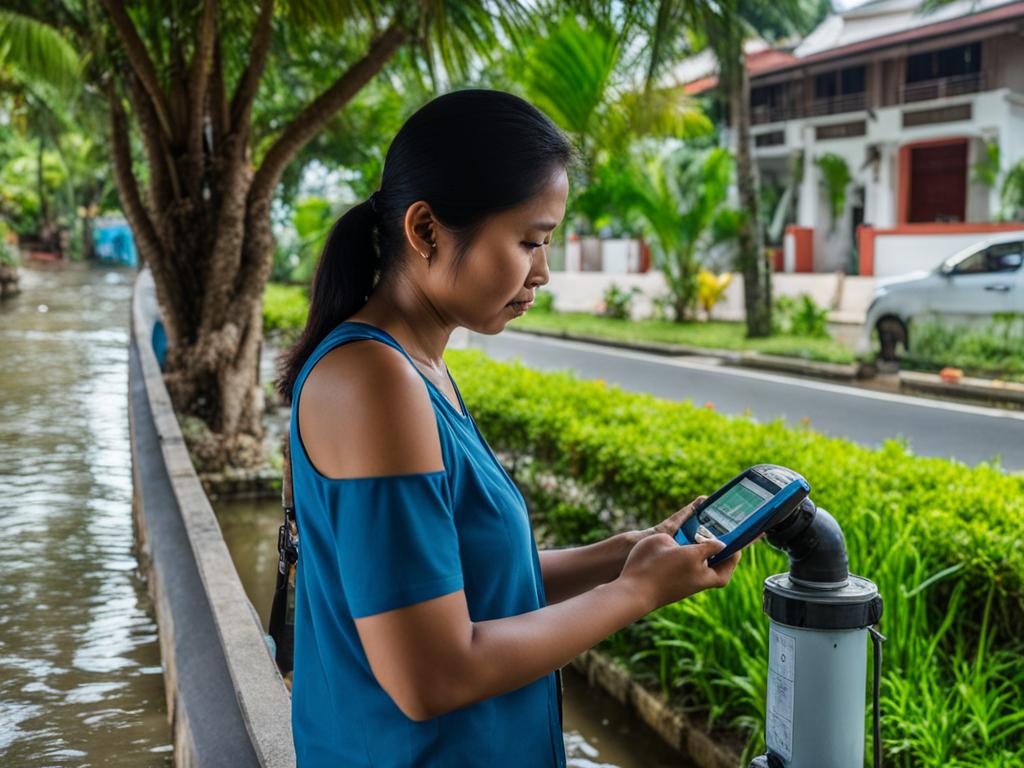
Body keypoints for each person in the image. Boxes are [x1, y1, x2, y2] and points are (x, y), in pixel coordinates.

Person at [275, 89, 742, 768]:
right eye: (530, 241)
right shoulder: (376, 384)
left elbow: (467, 586)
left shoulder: (415, 369)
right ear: (426, 230)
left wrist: (623, 553)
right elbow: (431, 676)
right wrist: (636, 593)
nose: (543, 272)